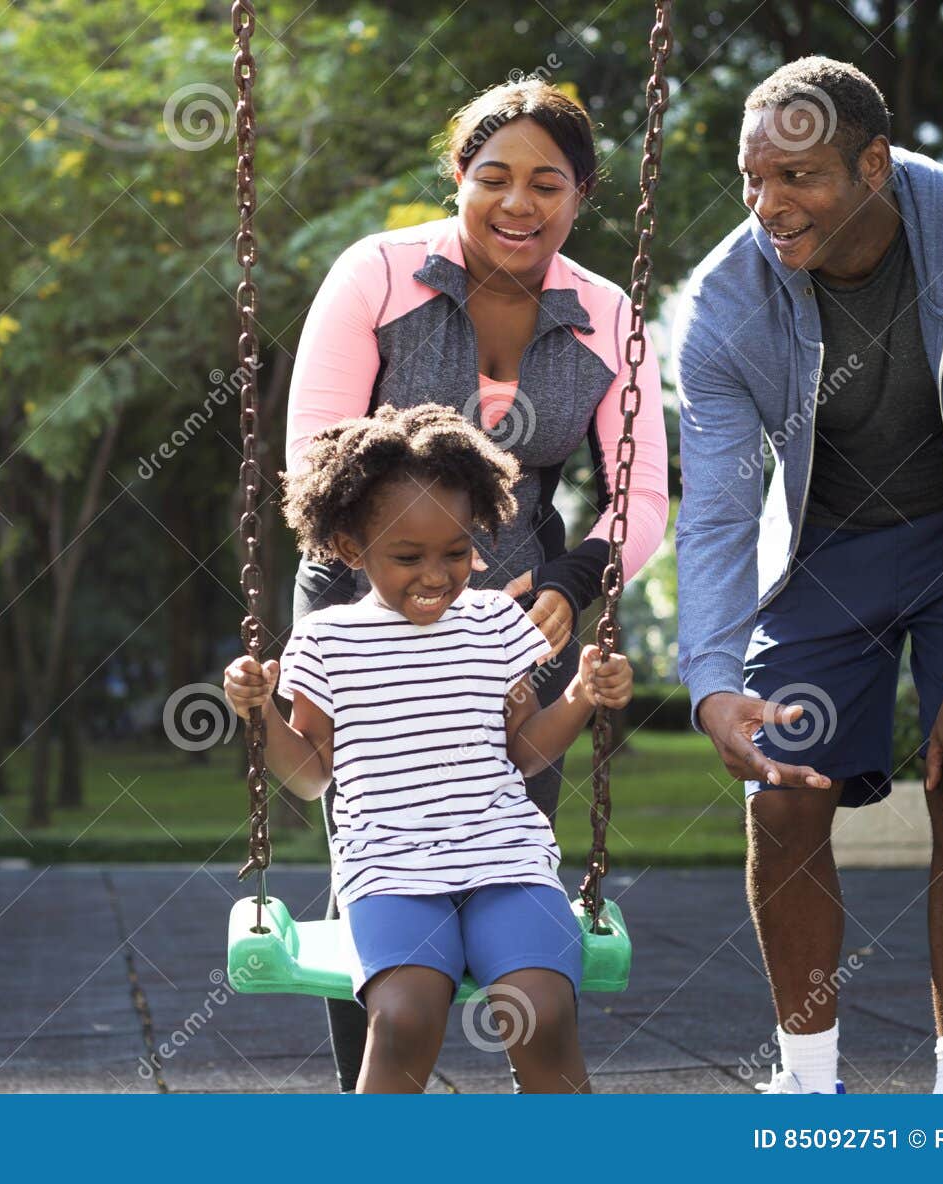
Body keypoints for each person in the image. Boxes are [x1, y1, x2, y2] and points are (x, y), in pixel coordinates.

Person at [672, 56, 943, 1094]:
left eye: (797, 178)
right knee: (783, 788)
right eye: (751, 179)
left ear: (873, 163)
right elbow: (720, 511)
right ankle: (808, 1076)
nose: (769, 206)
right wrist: (712, 680)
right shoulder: (724, 303)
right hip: (826, 549)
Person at [286, 76, 668, 1091]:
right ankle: (372, 1086)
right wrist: (382, 612)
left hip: (519, 605)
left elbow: (641, 495)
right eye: (492, 176)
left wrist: (576, 576)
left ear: (581, 195)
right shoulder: (375, 275)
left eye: (547, 182)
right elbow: (312, 462)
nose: (517, 202)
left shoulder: (606, 314)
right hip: (357, 585)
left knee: (507, 824)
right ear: (457, 177)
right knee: (375, 836)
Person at [224, 403, 634, 1093]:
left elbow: (526, 753)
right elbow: (311, 777)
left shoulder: (496, 623)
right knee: (407, 1016)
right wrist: (260, 717)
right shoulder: (328, 643)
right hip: (389, 869)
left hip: (503, 858)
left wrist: (582, 697)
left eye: (455, 552)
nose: (436, 576)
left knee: (540, 1009)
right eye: (407, 557)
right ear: (354, 550)